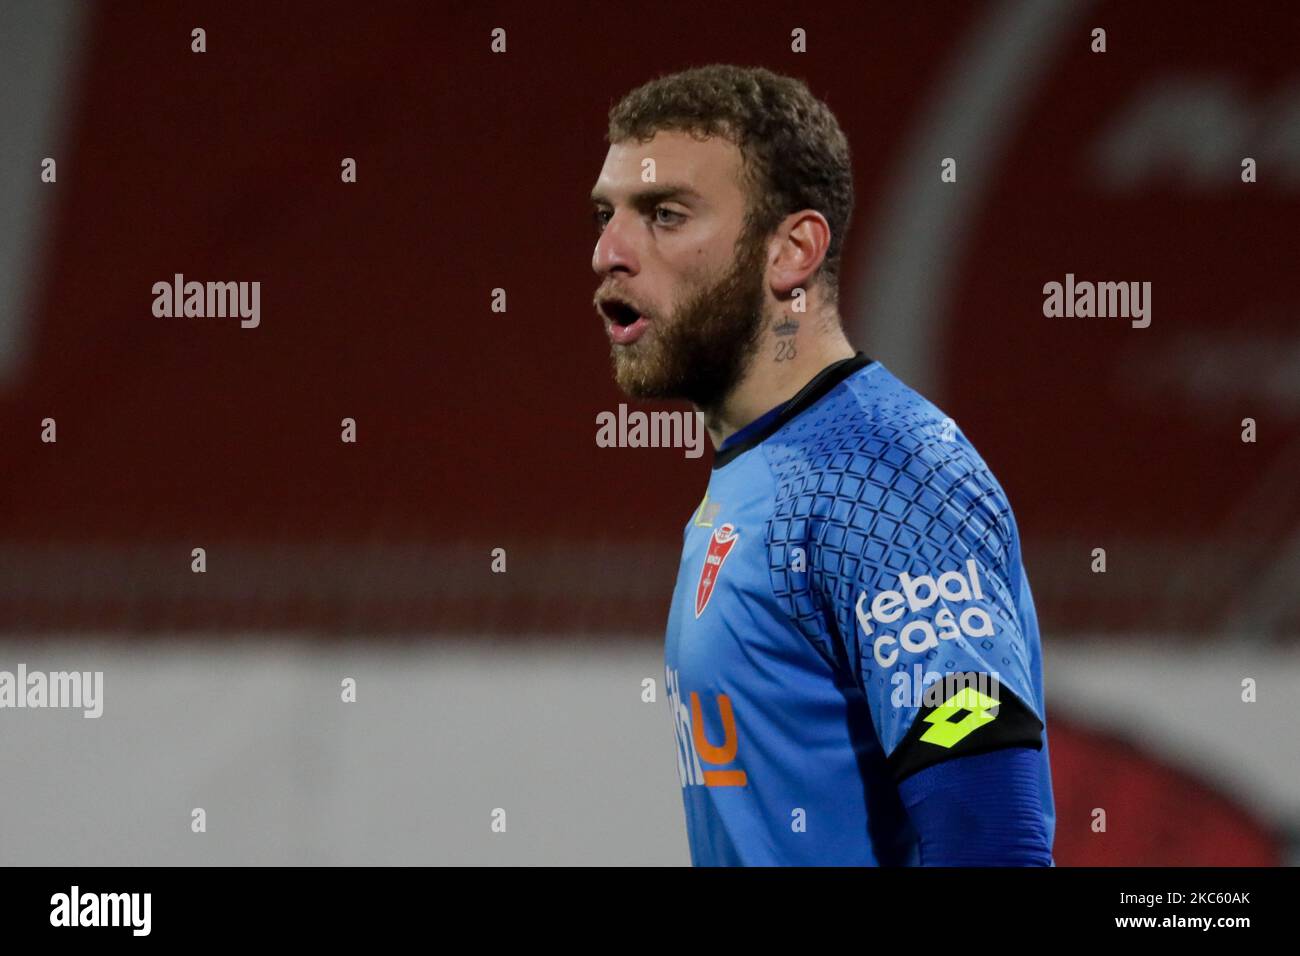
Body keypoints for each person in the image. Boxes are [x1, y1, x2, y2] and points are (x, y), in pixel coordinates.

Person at [590, 64, 1053, 865]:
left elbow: (991, 839)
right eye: (607, 216)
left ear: (793, 251)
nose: (609, 253)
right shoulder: (755, 473)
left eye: (665, 215)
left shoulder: (887, 481)